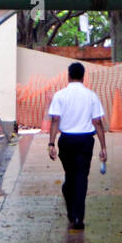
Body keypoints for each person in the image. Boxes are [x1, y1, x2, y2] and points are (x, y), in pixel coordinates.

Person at [46, 62, 108, 230]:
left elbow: (55, 120)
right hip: (85, 142)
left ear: (68, 75)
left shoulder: (60, 95)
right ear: (83, 76)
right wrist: (103, 147)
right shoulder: (91, 96)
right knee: (81, 178)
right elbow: (97, 122)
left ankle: (73, 211)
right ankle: (78, 216)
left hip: (66, 141)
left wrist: (51, 143)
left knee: (71, 176)